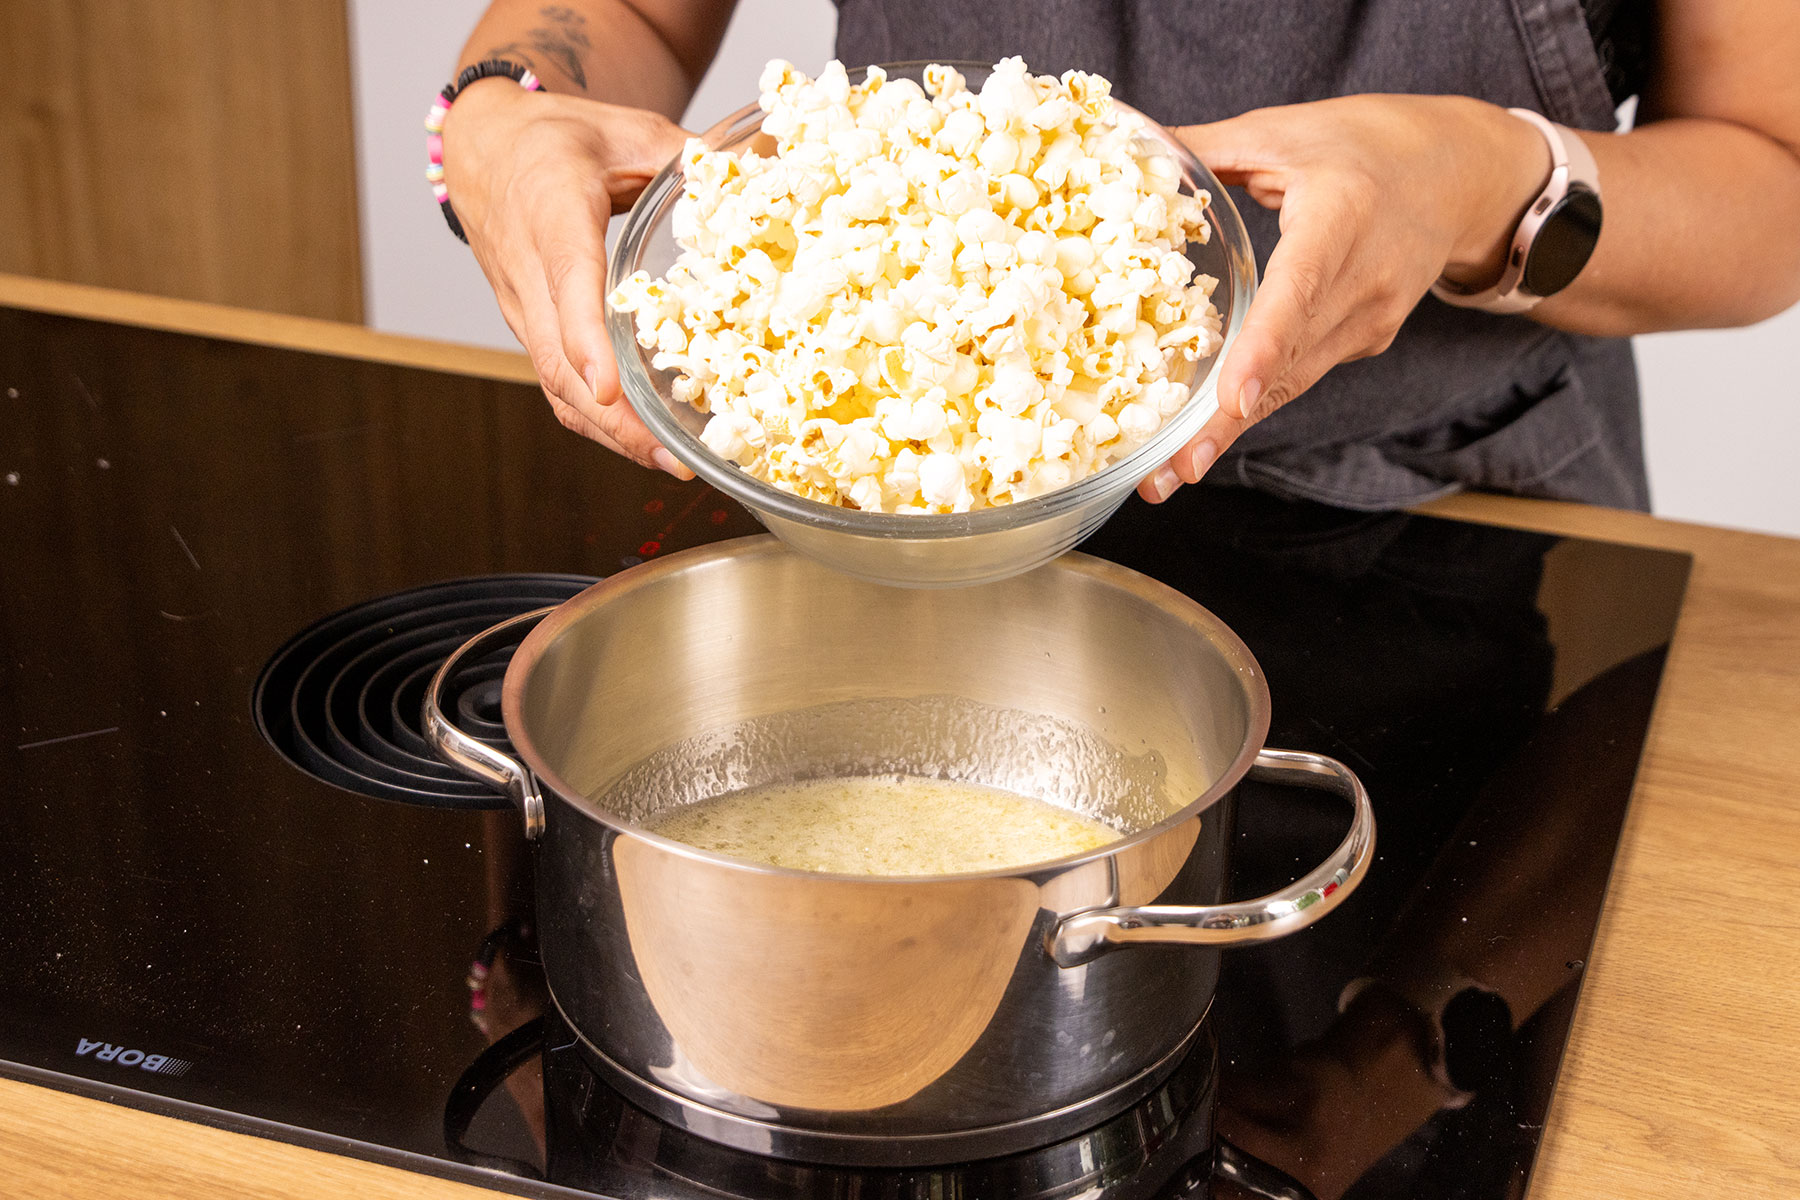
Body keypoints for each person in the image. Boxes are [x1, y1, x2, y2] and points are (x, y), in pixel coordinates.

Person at [438, 0, 1800, 512]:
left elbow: (1770, 181)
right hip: (920, 516)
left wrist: (1488, 184)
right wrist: (503, 115)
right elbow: (613, 14)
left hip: (1461, 514)